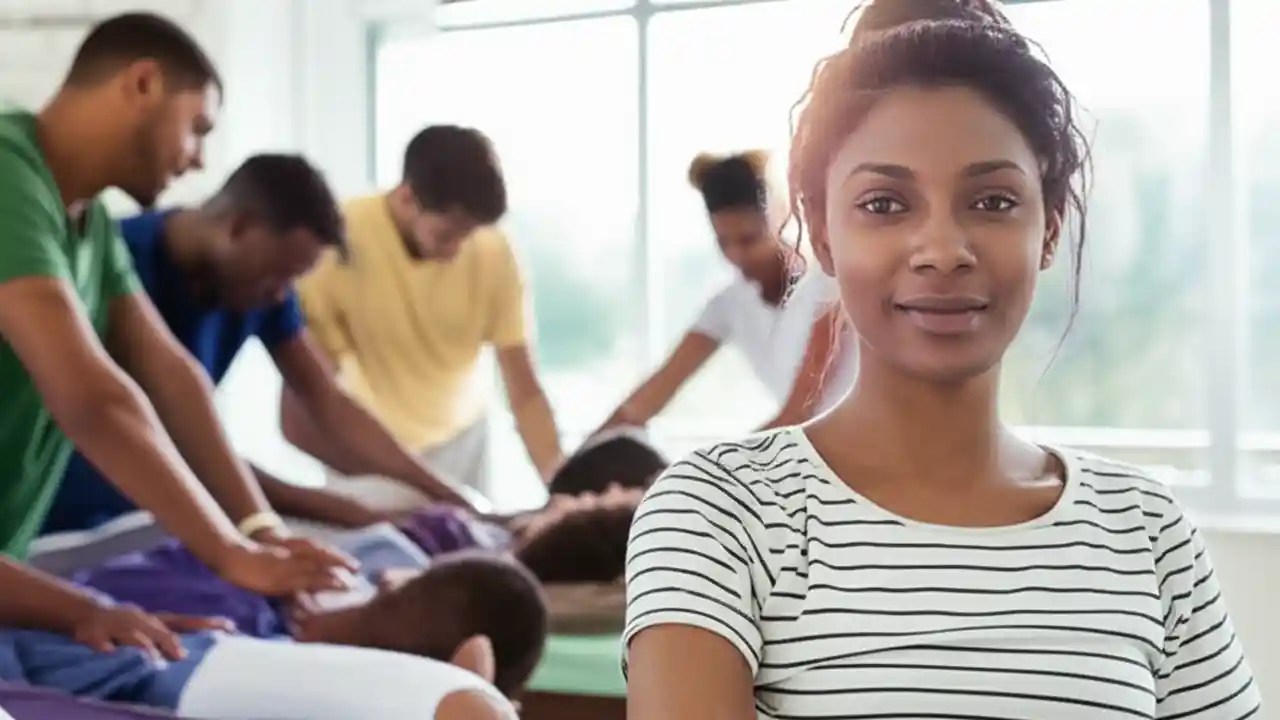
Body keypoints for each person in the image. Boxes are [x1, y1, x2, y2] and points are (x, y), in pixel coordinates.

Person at [623, 2, 1263, 719]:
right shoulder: (719, 512)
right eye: (884, 204)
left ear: (1048, 230)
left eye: (992, 201)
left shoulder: (1145, 529)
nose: (943, 250)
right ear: (824, 237)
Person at [0, 12, 352, 664]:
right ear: (142, 83)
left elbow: (171, 375)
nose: (197, 160)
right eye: (198, 127)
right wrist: (230, 553)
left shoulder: (92, 228)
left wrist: (260, 532)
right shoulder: (5, 170)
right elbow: (92, 397)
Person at [41, 154, 474, 537]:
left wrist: (445, 497)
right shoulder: (112, 262)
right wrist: (347, 512)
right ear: (239, 227)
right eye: (278, 274)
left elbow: (329, 403)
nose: (280, 295)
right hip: (58, 523)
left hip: (148, 524)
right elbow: (189, 452)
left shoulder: (263, 292)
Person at [286, 125, 564, 505]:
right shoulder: (340, 243)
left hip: (463, 442)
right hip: (370, 452)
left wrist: (560, 487)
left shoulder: (495, 251)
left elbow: (524, 391)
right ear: (406, 198)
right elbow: (315, 396)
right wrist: (386, 471)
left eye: (469, 234)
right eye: (447, 235)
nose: (458, 250)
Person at [601, 151, 857, 433]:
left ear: (780, 215)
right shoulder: (730, 305)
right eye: (723, 242)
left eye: (749, 239)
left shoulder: (829, 285)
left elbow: (800, 412)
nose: (736, 255)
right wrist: (575, 467)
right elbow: (647, 399)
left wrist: (711, 470)